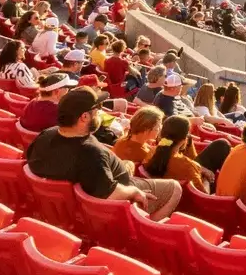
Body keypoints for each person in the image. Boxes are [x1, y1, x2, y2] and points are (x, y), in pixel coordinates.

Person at [26, 87, 181, 220]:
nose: (100, 113)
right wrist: (134, 191)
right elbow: (109, 193)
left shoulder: (46, 135)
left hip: (98, 184)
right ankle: (144, 227)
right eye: (97, 109)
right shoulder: (90, 153)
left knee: (127, 164)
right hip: (120, 194)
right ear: (84, 117)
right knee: (175, 188)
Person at [143, 116, 210, 191]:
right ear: (184, 140)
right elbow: (203, 195)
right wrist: (206, 180)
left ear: (161, 134)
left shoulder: (149, 152)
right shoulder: (187, 167)